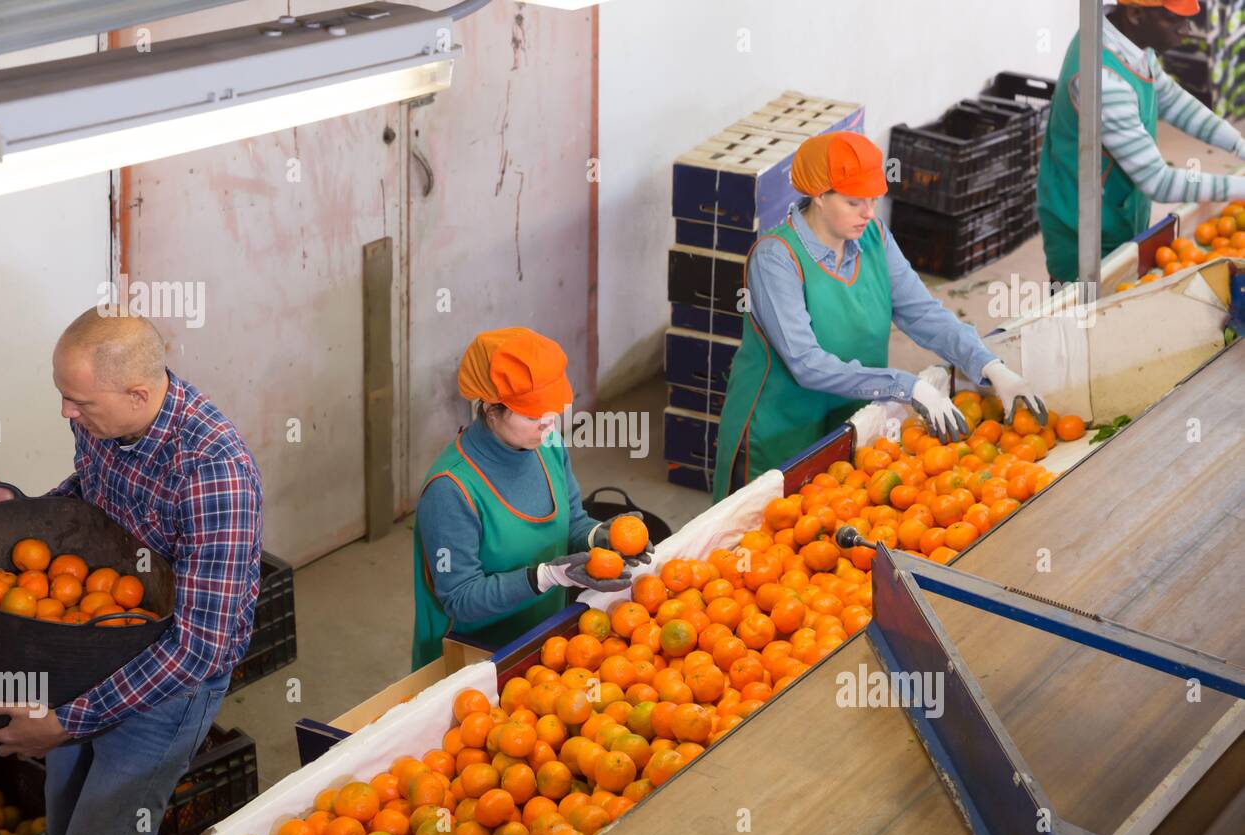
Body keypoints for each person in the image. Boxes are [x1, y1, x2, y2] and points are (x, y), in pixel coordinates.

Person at [0, 307, 263, 835]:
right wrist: (32, 520)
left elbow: (202, 647)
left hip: (172, 676)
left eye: (79, 403)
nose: (65, 412)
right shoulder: (103, 420)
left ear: (136, 392)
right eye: (63, 396)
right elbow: (91, 489)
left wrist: (63, 723)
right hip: (98, 639)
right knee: (69, 827)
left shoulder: (212, 472)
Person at [713, 131, 1046, 503]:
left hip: (851, 411)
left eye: (873, 200)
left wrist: (989, 364)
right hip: (782, 426)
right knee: (774, 529)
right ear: (819, 196)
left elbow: (922, 313)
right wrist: (907, 386)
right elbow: (805, 364)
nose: (868, 213)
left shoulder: (874, 238)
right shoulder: (776, 259)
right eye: (855, 202)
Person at [412, 328, 652, 670]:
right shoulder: (450, 490)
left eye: (552, 411)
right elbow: (460, 601)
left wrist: (602, 536)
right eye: (531, 415)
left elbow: (572, 523)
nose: (547, 424)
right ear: (491, 409)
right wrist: (546, 577)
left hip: (541, 647)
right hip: (470, 664)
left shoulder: (548, 446)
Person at [1039, 0, 1245, 282]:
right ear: (1136, 13)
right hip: (1083, 229)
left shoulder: (1129, 44)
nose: (1187, 30)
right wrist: (1239, 187)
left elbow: (1173, 101)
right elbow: (1159, 182)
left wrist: (1238, 144)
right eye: (1176, 20)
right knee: (1078, 310)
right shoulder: (1101, 80)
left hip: (1119, 208)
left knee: (1120, 296)